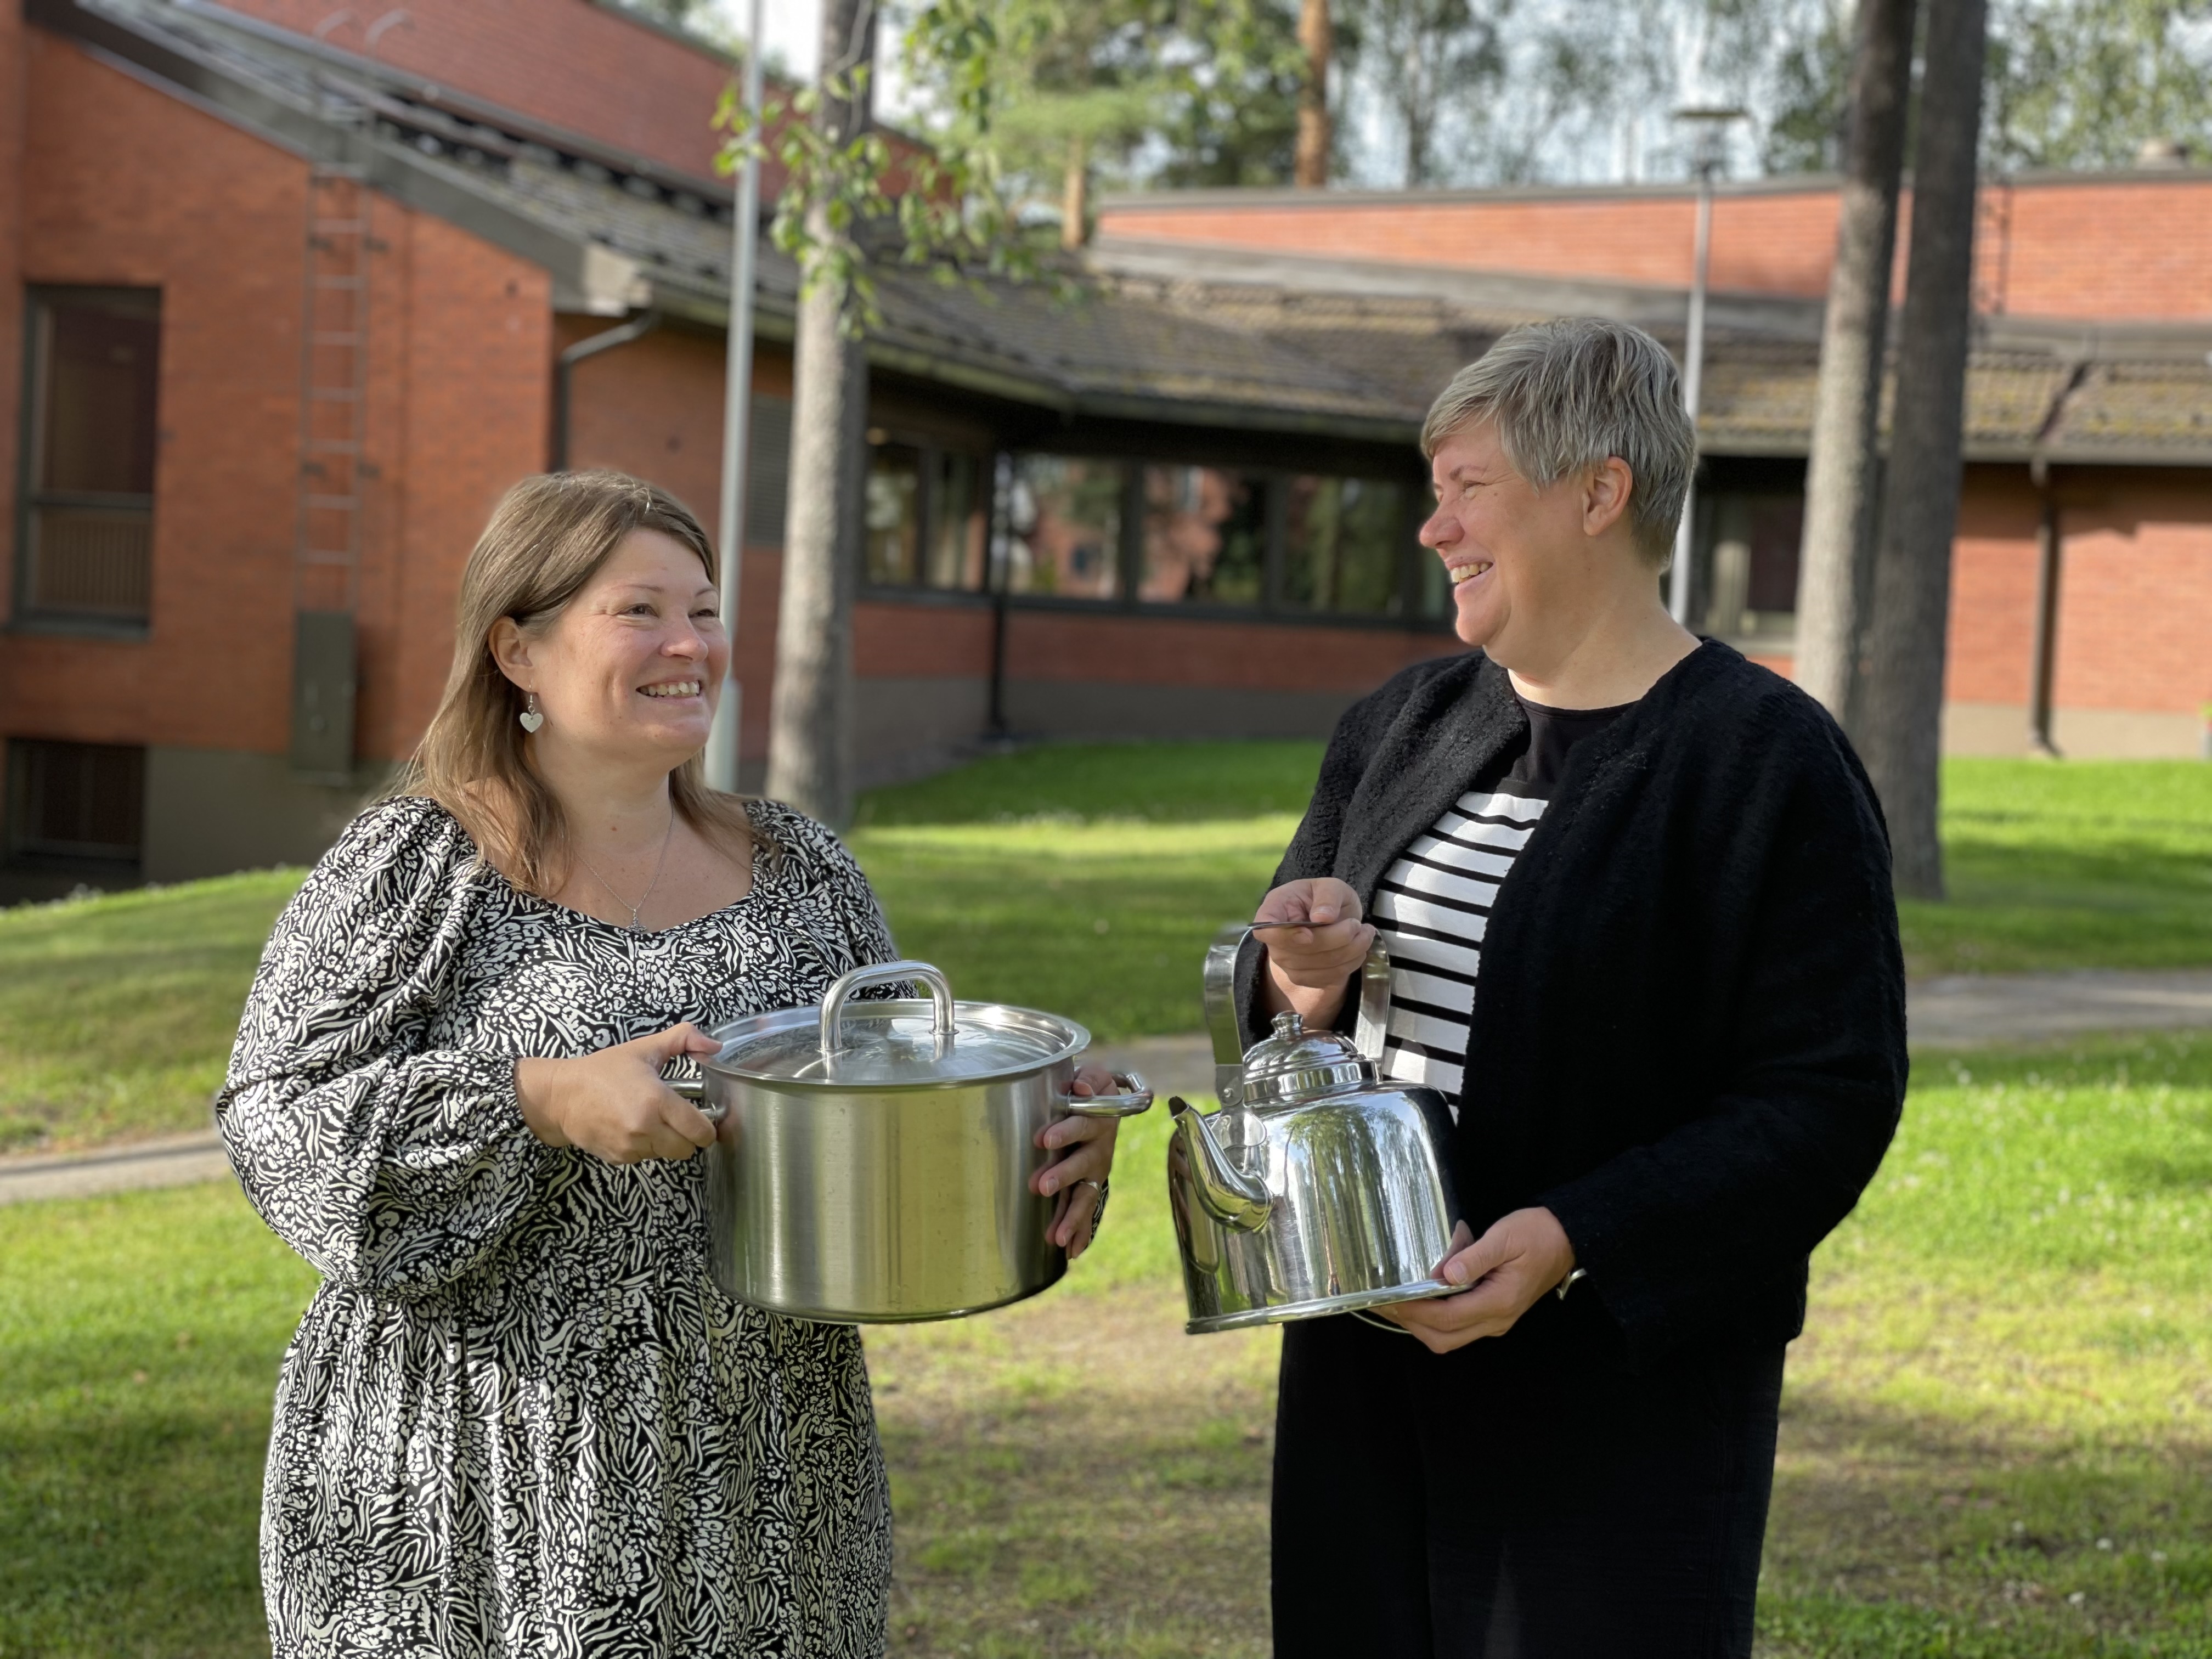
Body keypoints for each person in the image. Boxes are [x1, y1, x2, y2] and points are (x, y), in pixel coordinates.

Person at [218, 470, 1122, 1656]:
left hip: (762, 1473)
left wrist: (1035, 1135)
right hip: (467, 1469)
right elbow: (271, 1123)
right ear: (518, 651)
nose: (689, 643)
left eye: (703, 609)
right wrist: (535, 1099)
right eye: (639, 611)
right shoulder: (417, 868)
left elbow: (896, 1113)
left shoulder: (803, 872)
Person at [1240, 318, 1907, 1658]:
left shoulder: (1764, 761)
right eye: (1437, 494)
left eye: (1468, 489)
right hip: (1365, 1370)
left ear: (1599, 494)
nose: (1436, 530)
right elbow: (1272, 1011)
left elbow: (1825, 1097)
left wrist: (1576, 1233)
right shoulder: (1404, 725)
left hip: (1617, 1398)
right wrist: (1298, 981)